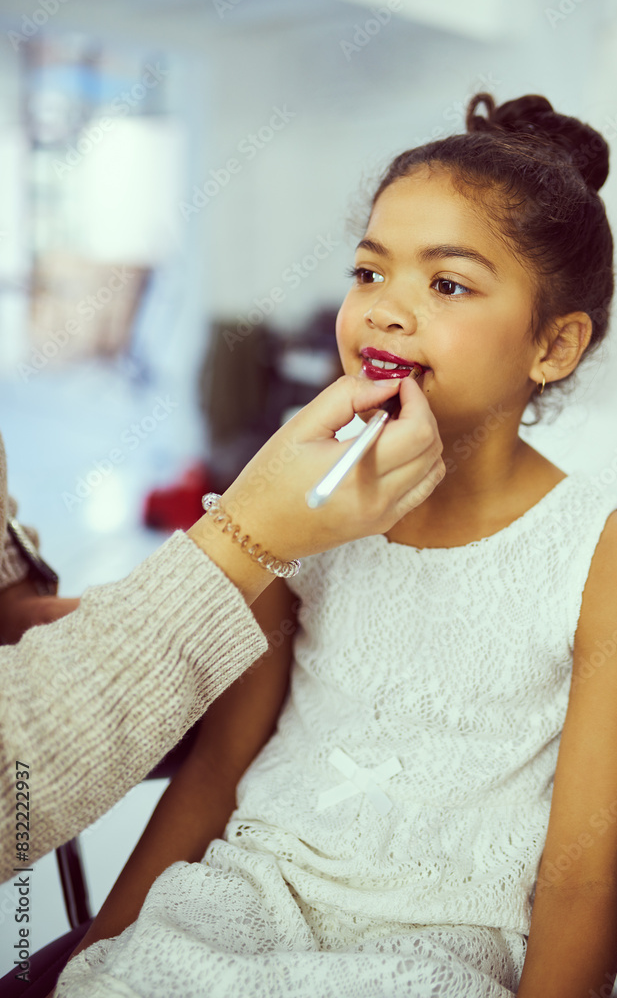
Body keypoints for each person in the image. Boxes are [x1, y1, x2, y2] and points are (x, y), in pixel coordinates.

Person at [53, 93, 617, 998]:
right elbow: (219, 768)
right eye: (369, 272)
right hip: (250, 898)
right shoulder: (304, 506)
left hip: (440, 950)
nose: (384, 310)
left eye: (447, 284)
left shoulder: (607, 564)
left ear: (555, 345)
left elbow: (579, 878)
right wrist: (96, 954)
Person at [0, 371, 444, 885]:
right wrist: (245, 538)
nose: (391, 324)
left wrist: (22, 605)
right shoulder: (305, 554)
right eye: (366, 283)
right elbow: (216, 773)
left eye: (450, 286)